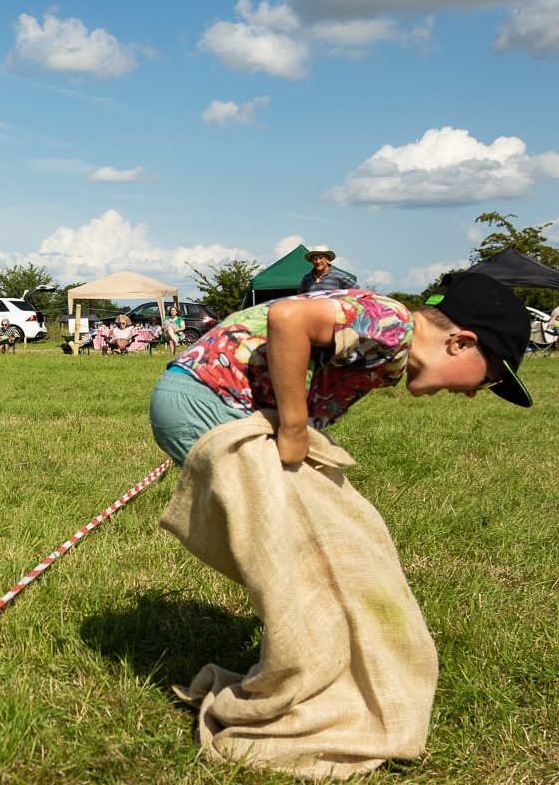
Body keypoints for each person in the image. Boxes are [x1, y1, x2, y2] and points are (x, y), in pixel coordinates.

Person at [148, 273, 532, 777]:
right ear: (461, 342)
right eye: (489, 381)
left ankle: (321, 666)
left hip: (208, 399)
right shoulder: (393, 325)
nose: (474, 395)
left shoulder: (387, 356)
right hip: (211, 400)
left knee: (326, 532)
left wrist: (298, 428)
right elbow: (289, 318)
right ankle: (312, 681)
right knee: (307, 551)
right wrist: (288, 426)